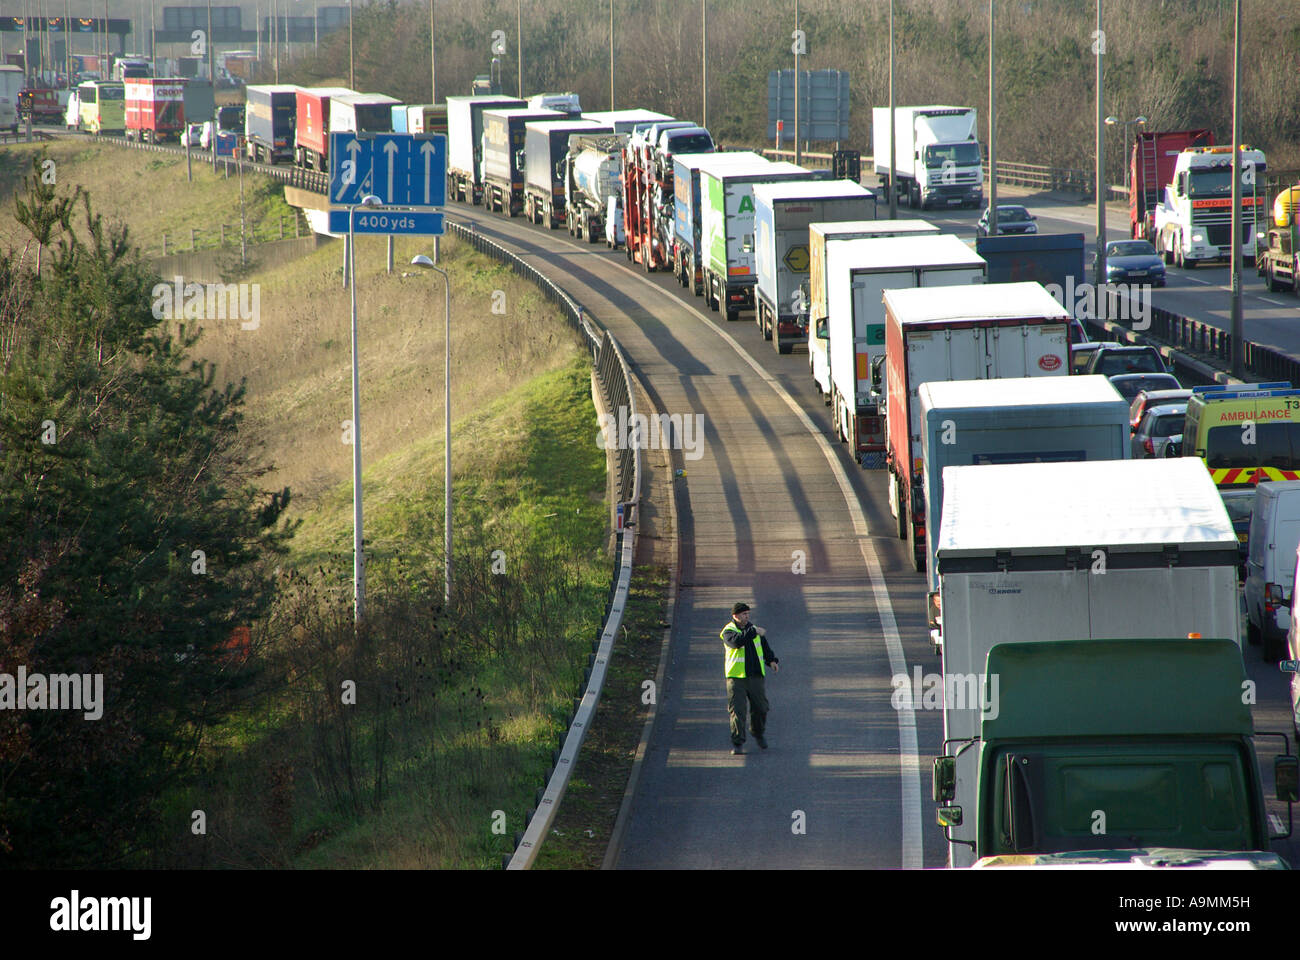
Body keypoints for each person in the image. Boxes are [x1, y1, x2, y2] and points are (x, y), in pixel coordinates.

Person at [720, 602, 778, 755]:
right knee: (737, 711)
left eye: (748, 614)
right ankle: (738, 743)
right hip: (736, 678)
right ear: (735, 616)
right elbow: (736, 642)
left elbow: (764, 647)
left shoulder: (754, 630)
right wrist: (754, 632)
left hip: (755, 677)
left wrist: (771, 660)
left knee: (761, 707)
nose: (747, 616)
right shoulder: (728, 631)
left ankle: (757, 732)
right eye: (744, 614)